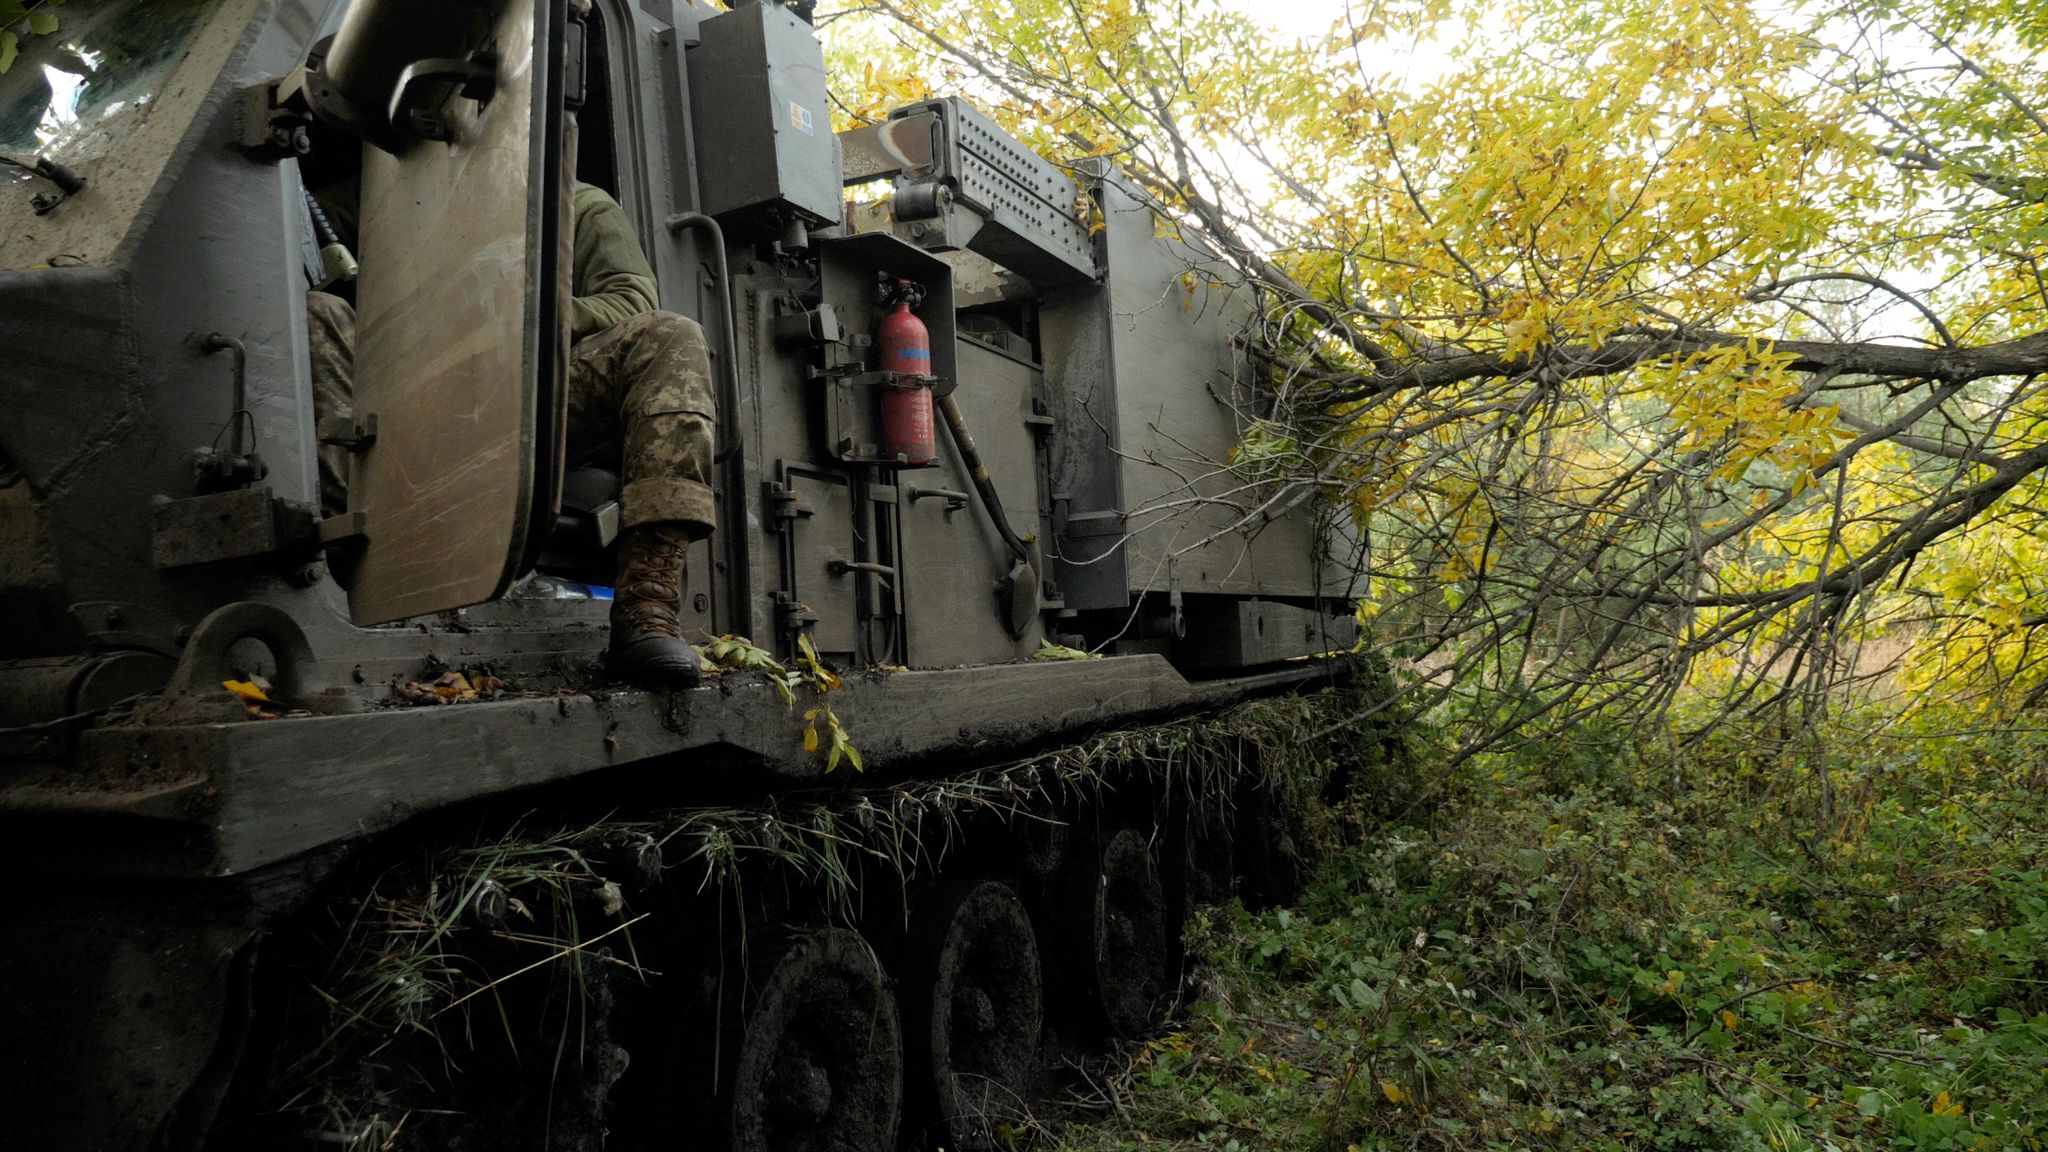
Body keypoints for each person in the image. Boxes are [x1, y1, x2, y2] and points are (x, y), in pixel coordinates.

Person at [306, 182, 715, 687]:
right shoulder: (391, 203)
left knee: (671, 336)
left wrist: (518, 314)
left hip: (522, 397)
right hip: (402, 400)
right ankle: (340, 565)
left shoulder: (578, 202)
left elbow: (630, 300)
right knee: (320, 312)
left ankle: (646, 609)